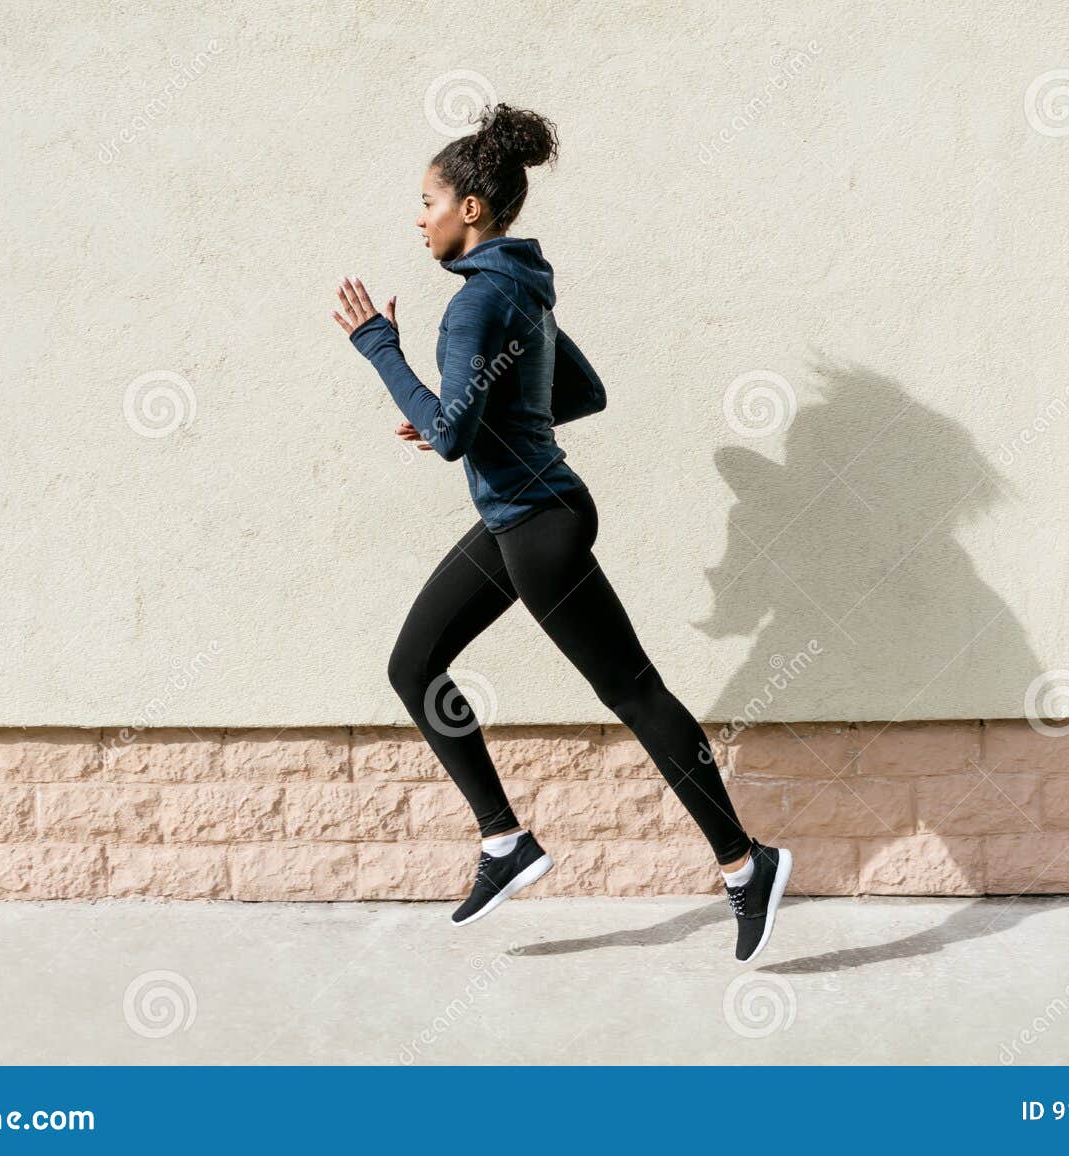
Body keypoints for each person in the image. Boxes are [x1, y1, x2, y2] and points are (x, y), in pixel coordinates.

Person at [331, 102, 791, 962]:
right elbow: (575, 395)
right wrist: (458, 416)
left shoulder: (474, 304)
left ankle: (743, 863)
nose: (418, 217)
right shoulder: (522, 288)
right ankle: (506, 842)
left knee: (634, 695)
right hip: (524, 518)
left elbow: (452, 438)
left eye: (426, 200)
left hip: (538, 527)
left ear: (472, 207)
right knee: (414, 665)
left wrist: (380, 351)